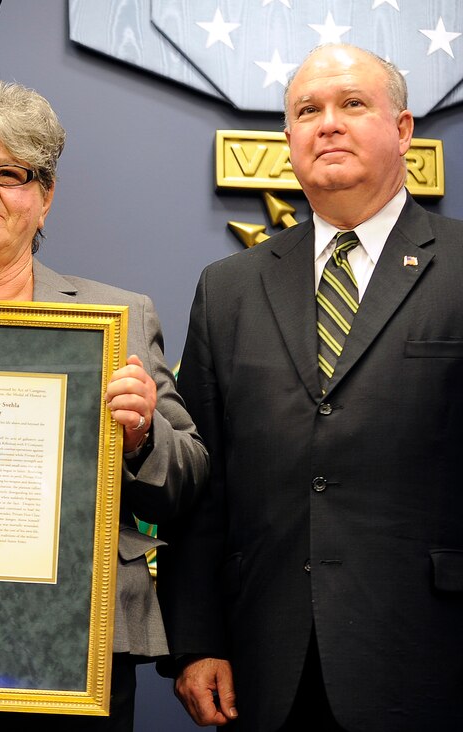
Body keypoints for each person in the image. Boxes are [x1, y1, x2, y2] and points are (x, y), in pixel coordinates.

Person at [158, 43, 463, 731]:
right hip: (268, 669)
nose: (328, 122)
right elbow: (203, 488)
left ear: (405, 129)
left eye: (352, 104)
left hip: (433, 656)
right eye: (307, 110)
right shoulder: (228, 288)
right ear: (289, 138)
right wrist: (198, 642)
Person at [0, 77, 208, 730]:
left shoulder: (118, 317)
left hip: (77, 642)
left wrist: (145, 433)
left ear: (45, 197)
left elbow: (190, 481)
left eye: (11, 173)